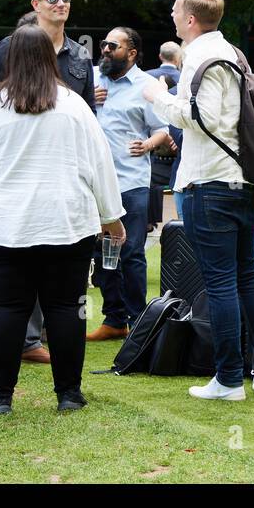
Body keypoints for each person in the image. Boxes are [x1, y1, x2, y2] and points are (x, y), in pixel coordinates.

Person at [0, 26, 125, 414]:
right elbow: (100, 165)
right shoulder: (74, 106)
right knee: (68, 307)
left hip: (3, 223)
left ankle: (0, 397)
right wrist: (111, 217)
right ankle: (69, 393)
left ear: (11, 58)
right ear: (51, 59)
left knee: (5, 308)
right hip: (67, 220)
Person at [143, 0, 254, 401]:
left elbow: (204, 119)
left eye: (174, 9)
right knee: (246, 277)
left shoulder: (201, 55)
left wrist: (157, 97)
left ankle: (228, 379)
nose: (170, 14)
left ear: (189, 19)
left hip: (211, 182)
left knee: (221, 283)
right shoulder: (234, 53)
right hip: (244, 179)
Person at [0, 0, 95, 366]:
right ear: (36, 3)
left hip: (59, 172)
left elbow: (90, 115)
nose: (61, 3)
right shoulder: (11, 47)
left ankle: (31, 340)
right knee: (7, 262)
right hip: (14, 169)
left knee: (52, 260)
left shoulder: (79, 56)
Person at [87, 27, 170, 342]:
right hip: (95, 183)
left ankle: (138, 321)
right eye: (104, 45)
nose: (105, 50)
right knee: (102, 251)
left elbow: (163, 130)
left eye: (113, 46)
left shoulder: (147, 86)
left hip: (131, 181)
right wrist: (85, 97)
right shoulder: (92, 80)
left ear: (132, 53)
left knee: (131, 251)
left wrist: (148, 144)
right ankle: (114, 319)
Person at [147, 42, 183, 223]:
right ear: (178, 58)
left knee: (150, 186)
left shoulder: (146, 78)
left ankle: (150, 222)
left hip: (152, 147)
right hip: (181, 147)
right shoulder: (185, 79)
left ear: (160, 56)